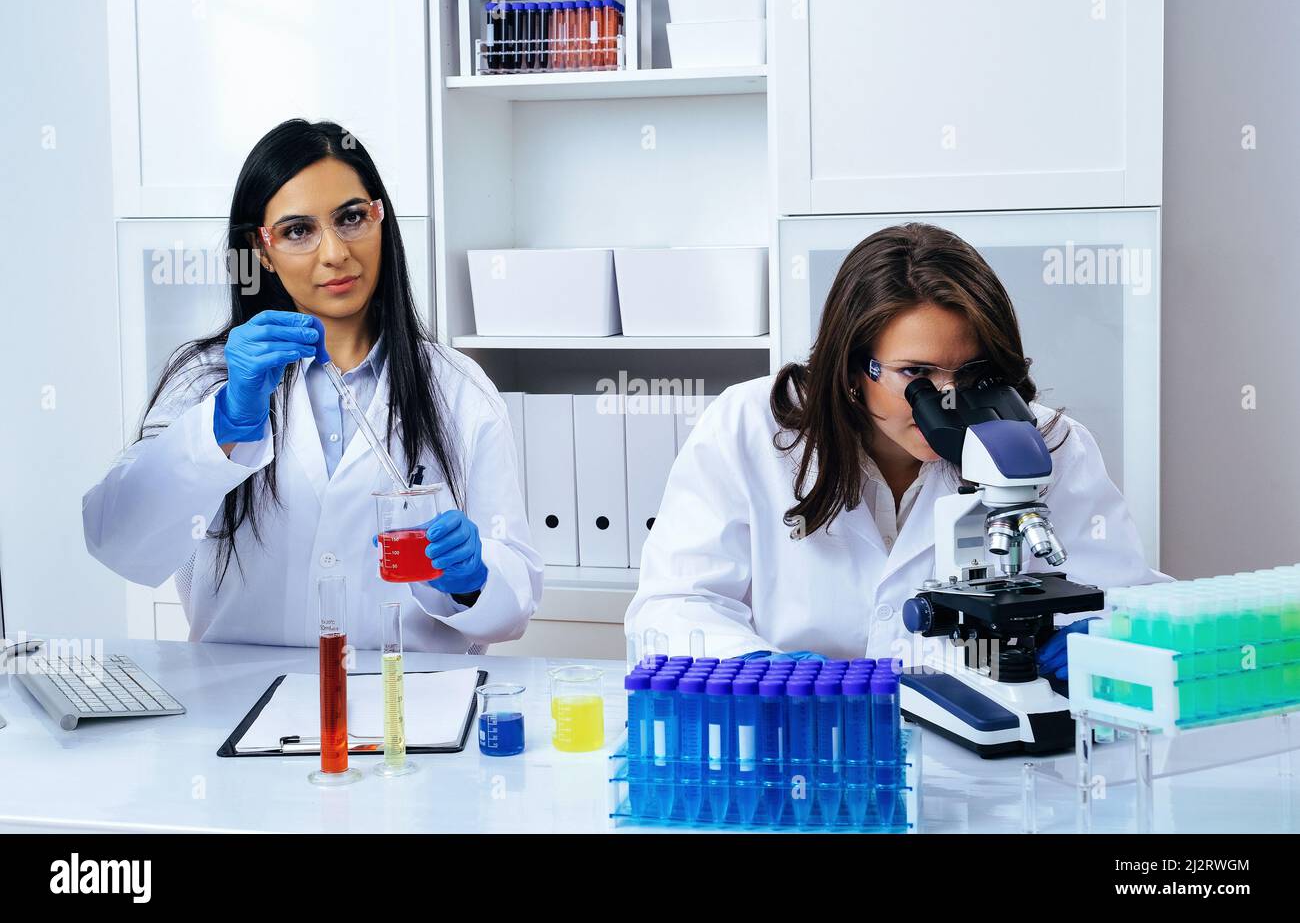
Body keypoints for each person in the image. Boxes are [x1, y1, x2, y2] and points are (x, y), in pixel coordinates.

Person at [626, 223, 1168, 676]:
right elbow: (675, 605)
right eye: (916, 374)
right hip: (806, 744)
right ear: (851, 368)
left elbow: (1118, 595)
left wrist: (1096, 639)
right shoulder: (748, 426)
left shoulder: (1047, 444)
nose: (948, 401)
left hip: (985, 752)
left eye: (973, 374)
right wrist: (778, 677)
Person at [84, 119, 541, 651]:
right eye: (298, 230)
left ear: (380, 219)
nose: (334, 253)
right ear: (261, 249)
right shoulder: (207, 378)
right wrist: (226, 423)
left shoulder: (459, 390)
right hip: (235, 712)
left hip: (406, 709)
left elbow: (514, 603)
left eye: (351, 218)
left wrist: (473, 580)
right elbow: (116, 538)